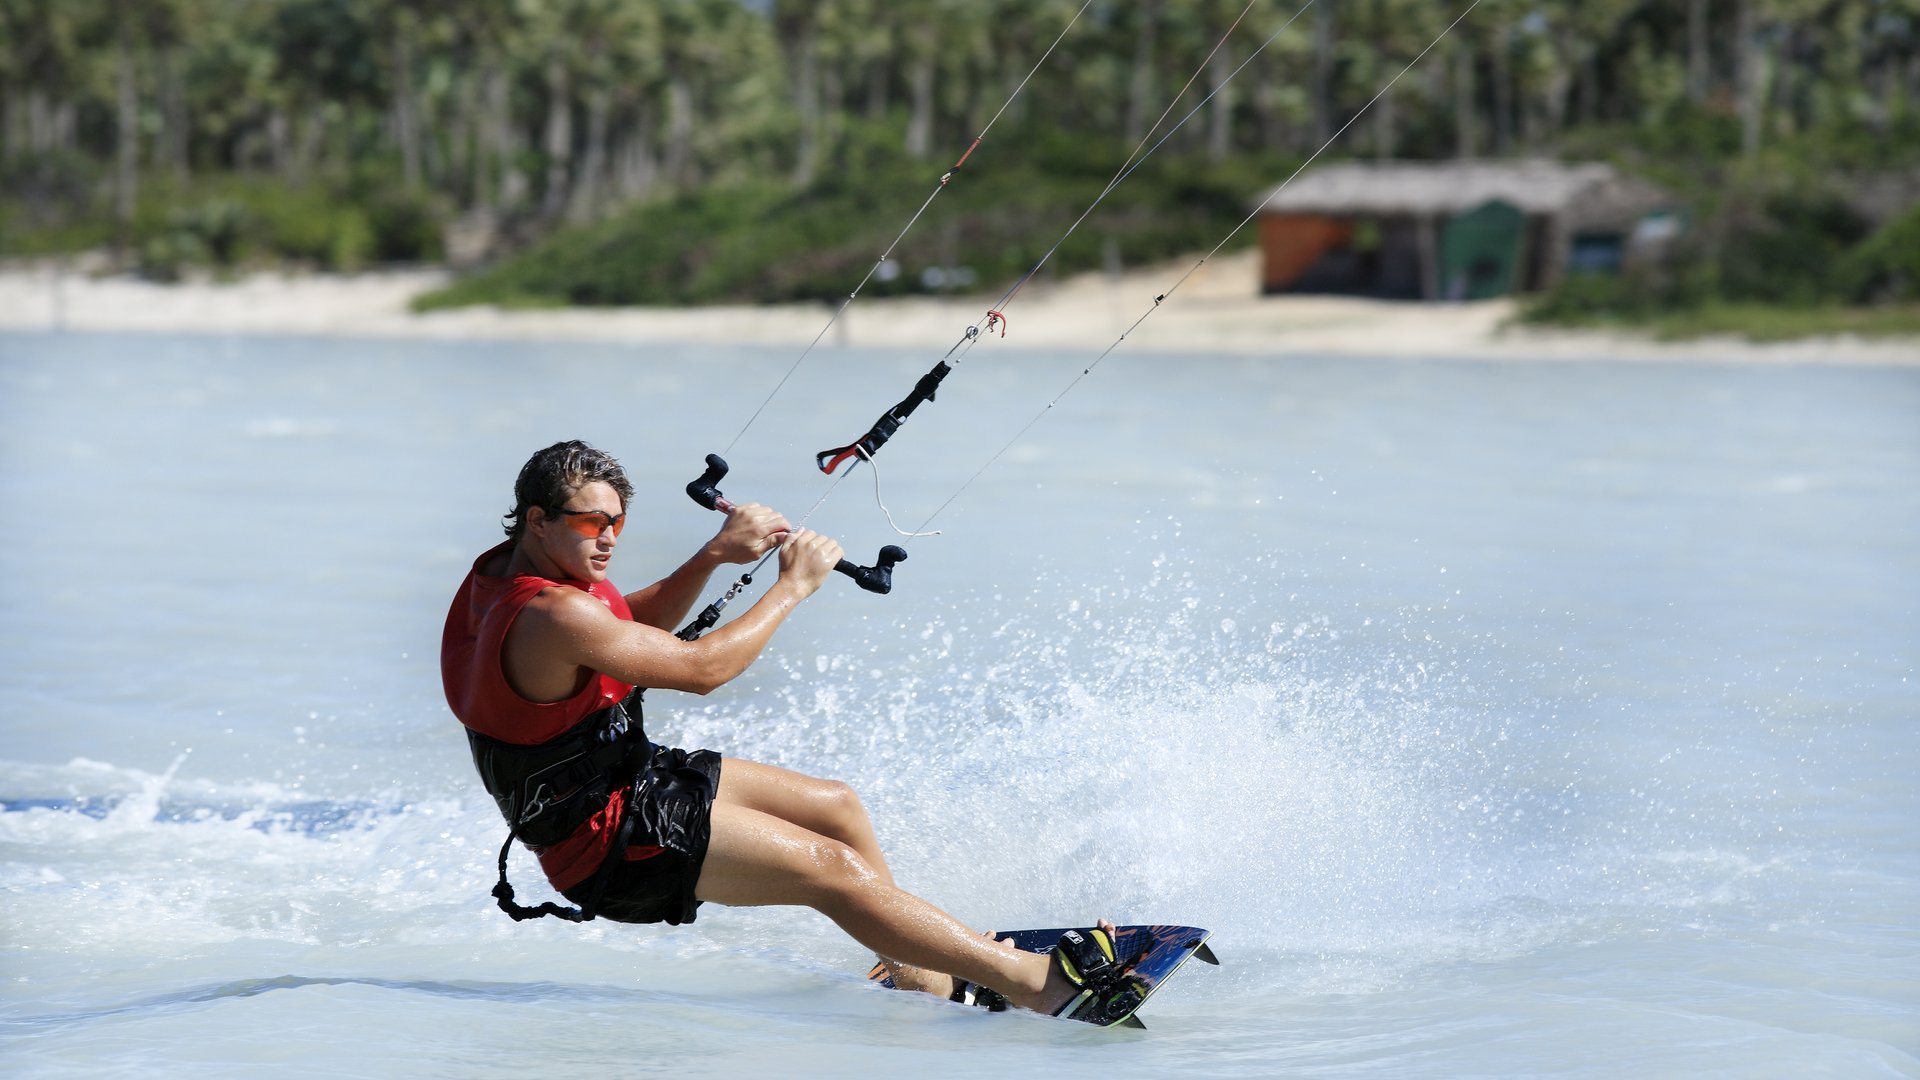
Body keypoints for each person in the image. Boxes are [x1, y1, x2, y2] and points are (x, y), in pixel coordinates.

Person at [441, 440, 1129, 1021]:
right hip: (607, 845)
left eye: (618, 523)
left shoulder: (505, 575)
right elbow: (703, 669)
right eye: (595, 525)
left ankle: (921, 977)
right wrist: (793, 586)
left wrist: (715, 555)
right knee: (832, 871)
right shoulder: (552, 614)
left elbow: (625, 630)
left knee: (836, 806)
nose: (612, 540)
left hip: (625, 779)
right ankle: (1038, 986)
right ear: (537, 519)